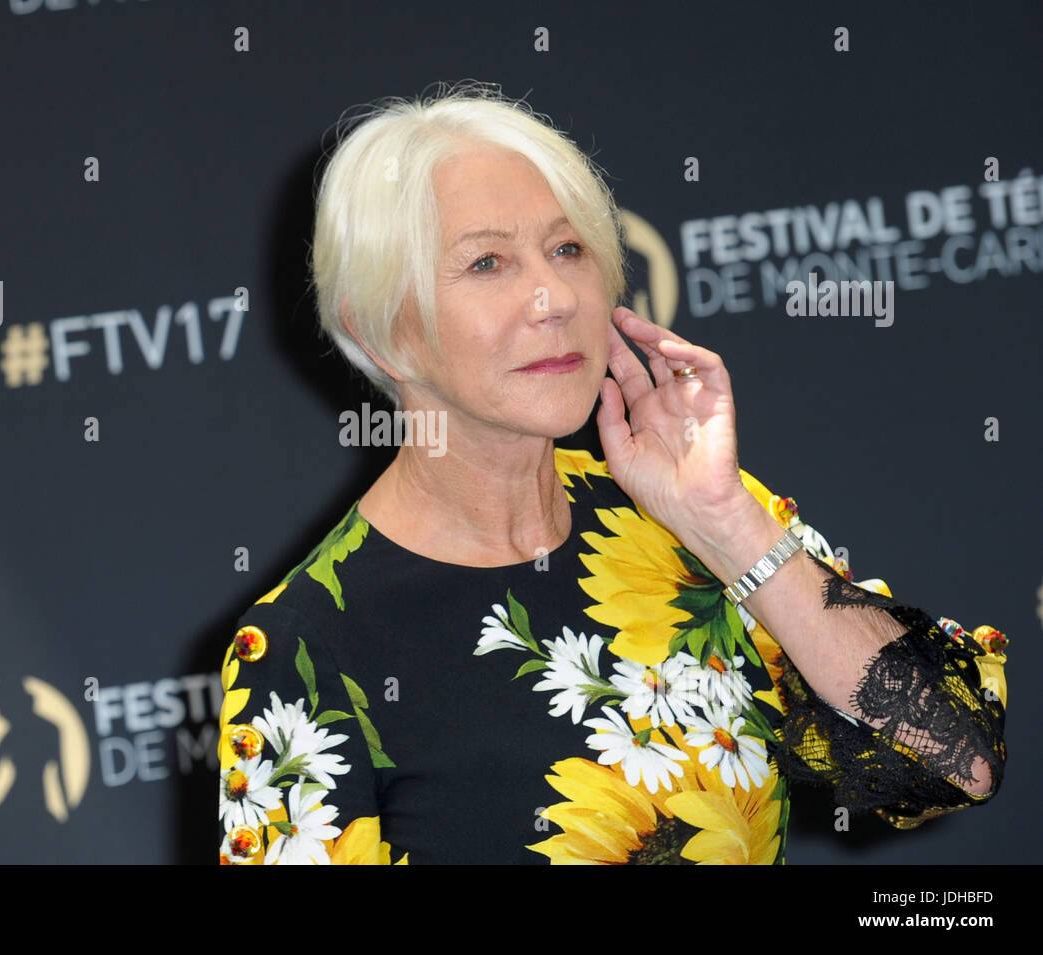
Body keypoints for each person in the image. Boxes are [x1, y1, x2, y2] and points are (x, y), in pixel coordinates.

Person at [216, 81, 1008, 864]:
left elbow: (961, 760)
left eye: (568, 249)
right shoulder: (307, 645)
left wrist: (727, 523)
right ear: (385, 330)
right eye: (487, 262)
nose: (554, 296)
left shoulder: (688, 523)